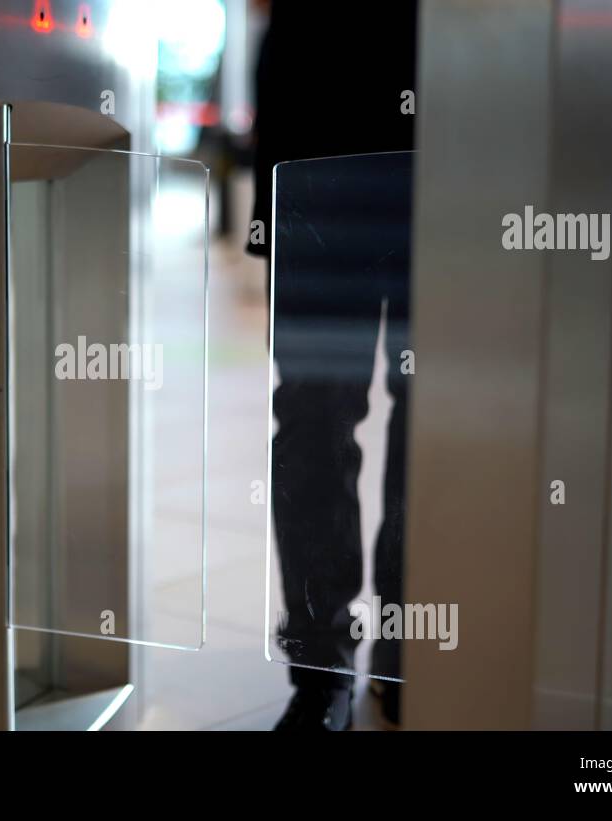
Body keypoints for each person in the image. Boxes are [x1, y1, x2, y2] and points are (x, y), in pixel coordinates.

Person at [247, 0, 419, 731]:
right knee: (315, 412)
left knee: (435, 414)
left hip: (460, 99)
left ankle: (410, 651)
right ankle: (322, 670)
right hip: (315, 112)